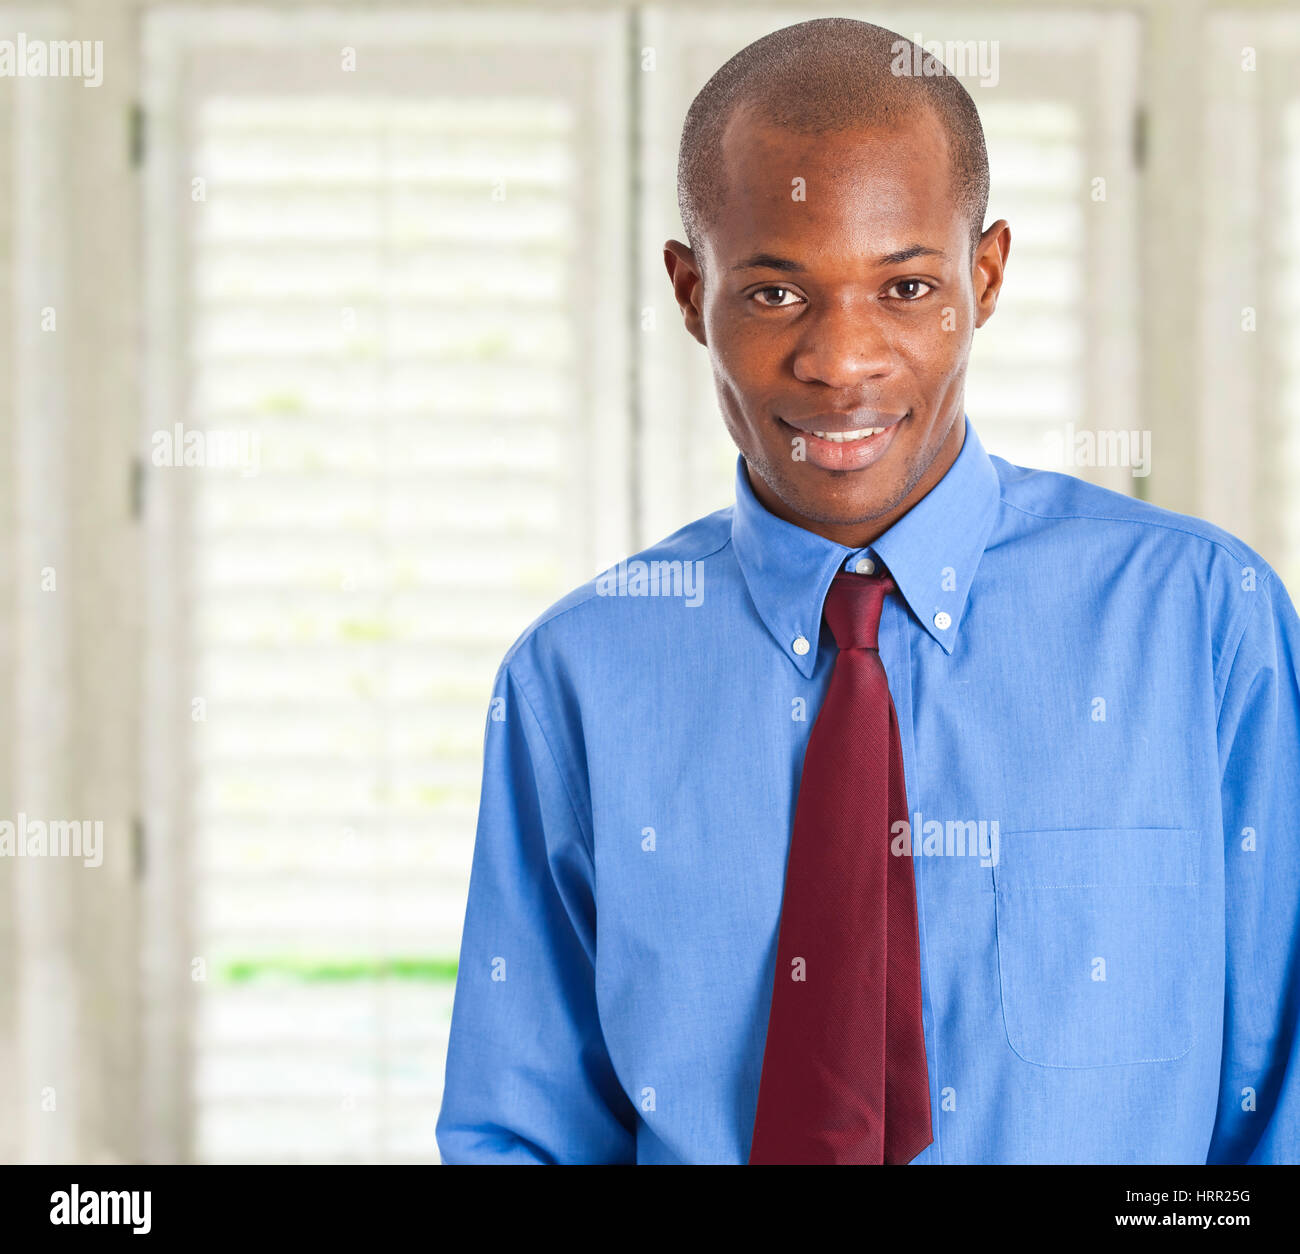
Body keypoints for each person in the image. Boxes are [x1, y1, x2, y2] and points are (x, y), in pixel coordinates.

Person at [435, 17, 1300, 1164]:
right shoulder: (576, 677)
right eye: (777, 295)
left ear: (982, 279)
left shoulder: (1202, 622)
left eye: (903, 287)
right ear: (691, 293)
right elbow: (525, 1131)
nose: (841, 362)